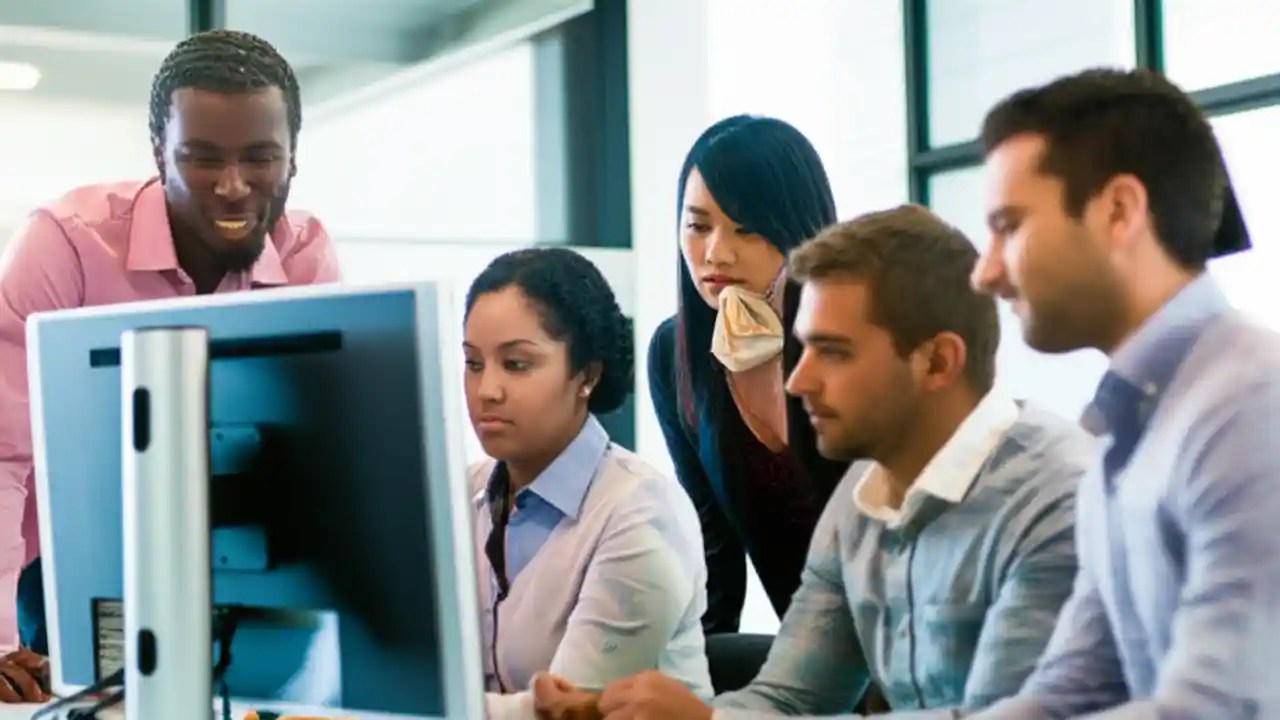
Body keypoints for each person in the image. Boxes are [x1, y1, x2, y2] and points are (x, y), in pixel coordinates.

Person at [539, 204, 1096, 719]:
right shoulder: (865, 493)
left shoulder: (1056, 496)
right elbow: (789, 700)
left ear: (936, 361)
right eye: (801, 348)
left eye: (832, 352)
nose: (799, 380)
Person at [0, 29, 340, 702]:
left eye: (261, 158)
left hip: (246, 566)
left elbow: (319, 461)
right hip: (80, 568)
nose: (235, 186)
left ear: (293, 158)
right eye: (202, 158)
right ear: (160, 153)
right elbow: (3, 456)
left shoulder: (307, 261)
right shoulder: (66, 244)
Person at [968, 68, 1280, 718]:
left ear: (1119, 212)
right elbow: (1069, 689)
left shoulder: (1250, 405)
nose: (985, 271)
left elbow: (1216, 709)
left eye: (1010, 226)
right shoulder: (1126, 429)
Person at [463, 248, 711, 719]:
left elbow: (564, 712)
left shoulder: (641, 510)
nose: (486, 390)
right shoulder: (460, 495)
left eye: (516, 364)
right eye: (474, 363)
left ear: (587, 375)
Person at [648, 115, 850, 638]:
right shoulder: (674, 354)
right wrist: (700, 680)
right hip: (810, 659)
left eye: (747, 228)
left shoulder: (861, 340)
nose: (716, 252)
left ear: (799, 229)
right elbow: (713, 543)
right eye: (697, 225)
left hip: (911, 637)